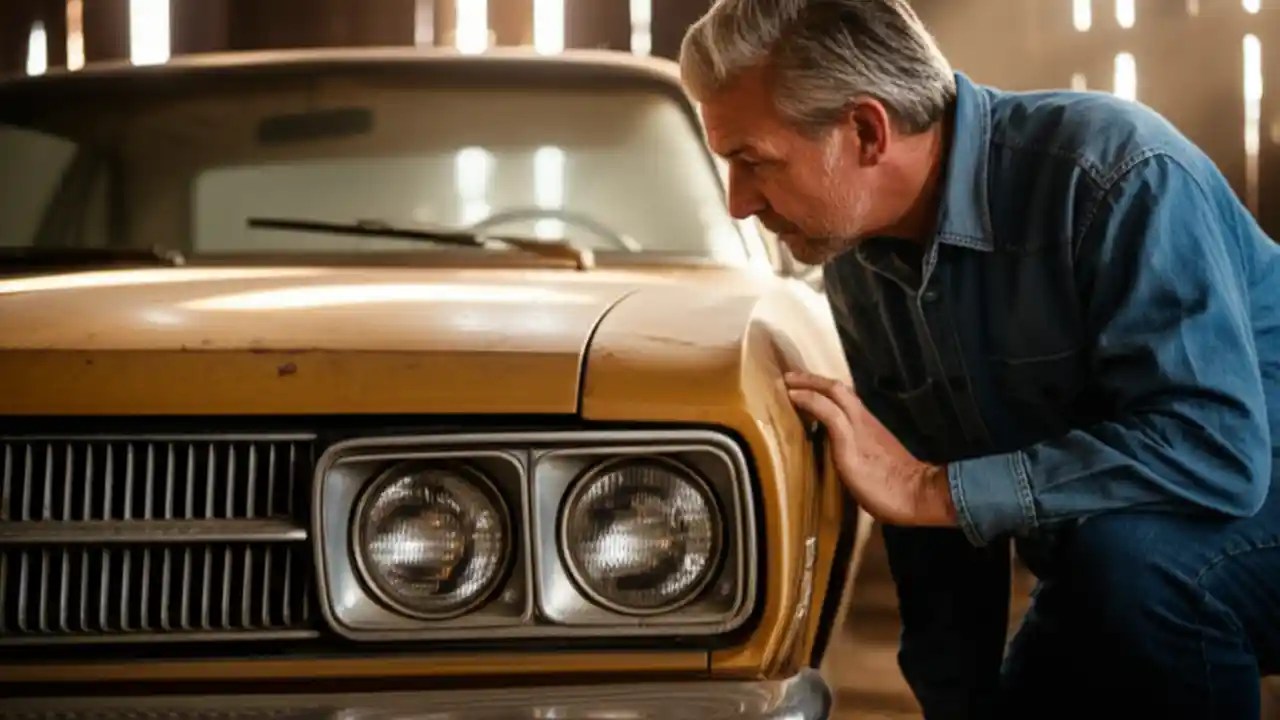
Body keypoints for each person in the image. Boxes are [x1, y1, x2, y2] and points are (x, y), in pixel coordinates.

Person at [679, 1, 1280, 718]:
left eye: (753, 161)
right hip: (1109, 561)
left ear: (866, 131)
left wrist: (934, 488)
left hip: (1218, 520)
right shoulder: (859, 266)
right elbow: (926, 528)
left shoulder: (1114, 172)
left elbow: (1213, 448)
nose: (739, 202)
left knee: (1132, 575)